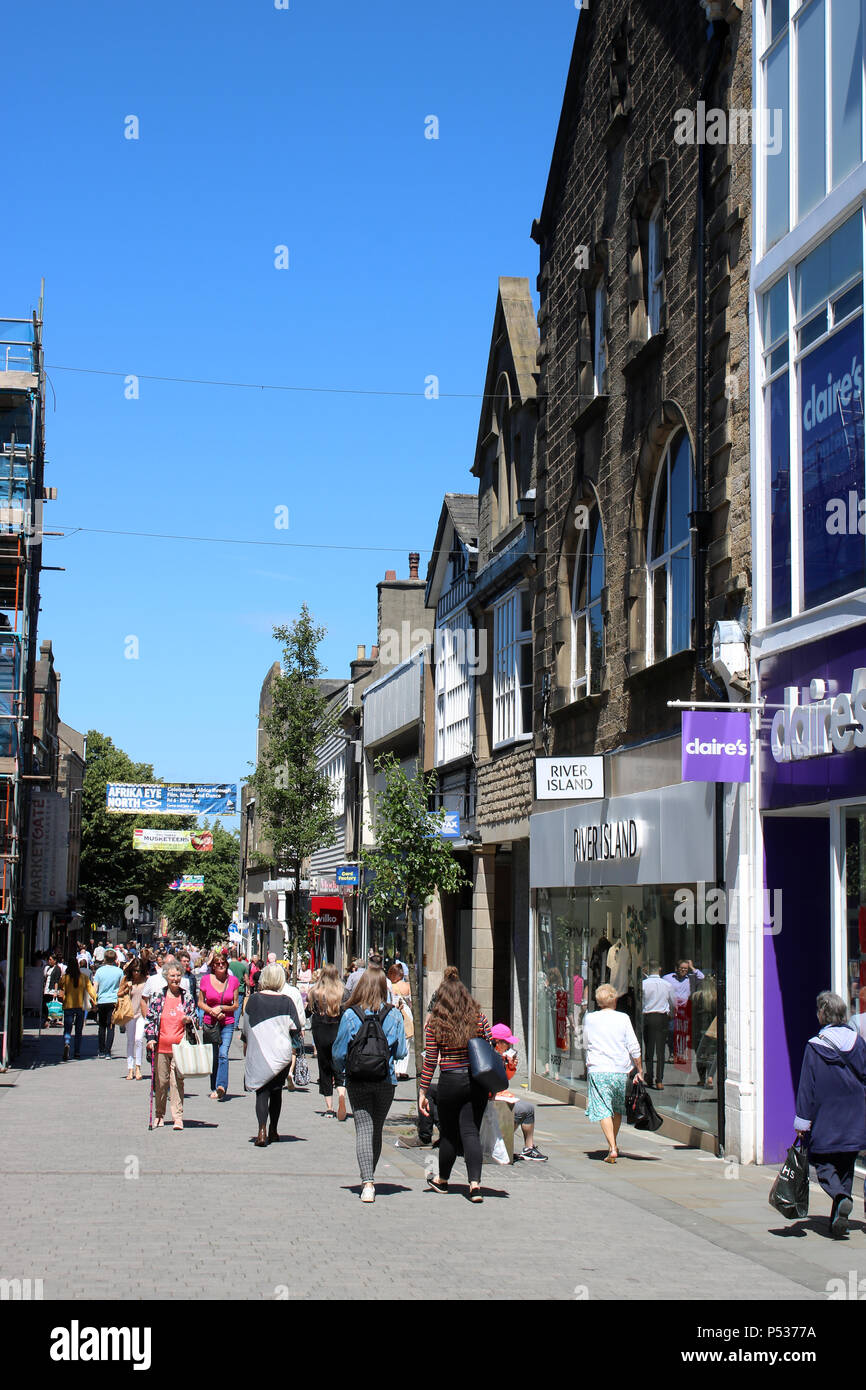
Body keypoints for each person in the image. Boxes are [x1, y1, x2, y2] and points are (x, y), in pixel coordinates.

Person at [794, 990, 866, 1238]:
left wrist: (802, 1120)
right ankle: (838, 1218)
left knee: (822, 1161)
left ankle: (840, 1196)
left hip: (827, 1115)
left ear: (823, 1014)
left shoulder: (815, 1046)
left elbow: (807, 1085)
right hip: (856, 1114)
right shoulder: (858, 1042)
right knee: (846, 1164)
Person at [418, 966, 493, 1202]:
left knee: (449, 1134)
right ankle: (475, 1186)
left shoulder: (435, 1024)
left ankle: (442, 1180)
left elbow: (430, 1059)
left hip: (450, 1080)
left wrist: (423, 1091)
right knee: (471, 1132)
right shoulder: (479, 1019)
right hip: (475, 1081)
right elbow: (490, 1049)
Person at [332, 966, 407, 1203]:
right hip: (386, 1080)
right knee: (376, 1127)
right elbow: (403, 1051)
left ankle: (367, 1182)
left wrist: (344, 1071)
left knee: (363, 1127)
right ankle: (370, 1176)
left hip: (358, 1079)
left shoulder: (351, 1015)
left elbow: (338, 1052)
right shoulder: (394, 1015)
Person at [583, 983, 644, 1163]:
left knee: (603, 1109)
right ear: (614, 999)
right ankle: (613, 1145)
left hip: (598, 1069)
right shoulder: (623, 1018)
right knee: (617, 1108)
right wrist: (639, 1070)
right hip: (619, 1070)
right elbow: (634, 1046)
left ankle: (612, 1147)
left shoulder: (590, 1018)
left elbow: (586, 1043)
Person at [241, 963, 301, 1146]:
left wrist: (246, 1043)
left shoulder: (254, 1000)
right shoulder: (286, 1001)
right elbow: (295, 1028)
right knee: (276, 1092)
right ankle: (274, 1129)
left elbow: (246, 1026)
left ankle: (261, 1129)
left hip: (260, 1051)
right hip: (281, 1054)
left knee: (262, 1092)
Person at [145, 963, 198, 1129]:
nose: (175, 979)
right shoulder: (158, 996)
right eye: (172, 976)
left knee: (177, 1082)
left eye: (178, 976)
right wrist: (151, 1038)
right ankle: (160, 1115)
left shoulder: (186, 996)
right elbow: (151, 1019)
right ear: (166, 977)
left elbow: (194, 1017)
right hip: (161, 1046)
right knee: (161, 1082)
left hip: (179, 1046)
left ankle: (177, 1117)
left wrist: (189, 1020)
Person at [490, 1023, 548, 1161]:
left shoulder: (499, 1057)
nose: (509, 1047)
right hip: (491, 1100)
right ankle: (500, 1142)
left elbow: (505, 1080)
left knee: (527, 1108)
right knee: (525, 1109)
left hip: (496, 1097)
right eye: (507, 1043)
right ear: (497, 1042)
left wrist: (510, 1067)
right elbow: (497, 1083)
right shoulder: (491, 1057)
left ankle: (528, 1147)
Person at [307, 963, 348, 1119]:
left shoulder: (315, 992)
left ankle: (330, 1108)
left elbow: (307, 1012)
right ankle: (341, 1095)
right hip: (337, 1030)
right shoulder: (343, 993)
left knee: (324, 1067)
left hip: (320, 1031)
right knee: (339, 1065)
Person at [198, 948, 240, 1100]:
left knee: (223, 1054)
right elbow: (200, 1003)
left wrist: (222, 1008)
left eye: (223, 963)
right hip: (210, 1023)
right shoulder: (205, 980)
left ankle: (221, 1086)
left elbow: (235, 1005)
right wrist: (212, 1011)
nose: (221, 965)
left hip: (227, 1022)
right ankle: (214, 1086)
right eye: (218, 963)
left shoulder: (233, 981)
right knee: (213, 1057)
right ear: (213, 966)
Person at [641, 961, 674, 1090]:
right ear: (659, 970)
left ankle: (649, 1075)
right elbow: (673, 1002)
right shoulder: (667, 984)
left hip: (649, 1016)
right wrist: (671, 1012)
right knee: (660, 1051)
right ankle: (659, 1080)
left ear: (648, 970)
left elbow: (641, 1001)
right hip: (662, 1017)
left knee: (649, 1048)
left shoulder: (644, 984)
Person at [57, 956, 96, 1061]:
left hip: (68, 1005)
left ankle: (67, 1042)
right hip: (80, 1006)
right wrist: (95, 1001)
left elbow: (60, 986)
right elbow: (91, 990)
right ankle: (77, 1052)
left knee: (67, 1028)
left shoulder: (65, 977)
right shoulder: (83, 977)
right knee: (78, 1031)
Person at [119, 958, 148, 1080]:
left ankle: (138, 1067)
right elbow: (119, 994)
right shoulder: (126, 979)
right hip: (129, 1013)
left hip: (141, 1014)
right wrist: (126, 987)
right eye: (135, 970)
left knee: (138, 1040)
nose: (136, 973)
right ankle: (130, 1069)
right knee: (130, 1041)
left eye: (139, 970)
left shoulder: (146, 981)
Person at [93, 949, 124, 1059]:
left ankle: (101, 1050)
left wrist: (93, 1001)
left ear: (105, 959)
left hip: (102, 1001)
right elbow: (122, 987)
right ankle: (107, 1052)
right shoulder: (119, 971)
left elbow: (95, 987)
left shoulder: (99, 971)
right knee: (111, 1026)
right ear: (115, 959)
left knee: (101, 1026)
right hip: (113, 1001)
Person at [387, 964, 413, 1079]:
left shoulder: (390, 986)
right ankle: (402, 1070)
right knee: (406, 1040)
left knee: (394, 1039)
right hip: (407, 1013)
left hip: (395, 1013)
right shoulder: (407, 986)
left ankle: (394, 1067)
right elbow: (411, 1002)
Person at [228, 948, 250, 1020]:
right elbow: (246, 979)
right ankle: (235, 1023)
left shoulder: (228, 965)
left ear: (230, 956)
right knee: (238, 1005)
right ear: (238, 956)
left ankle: (230, 1020)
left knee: (229, 1005)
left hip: (229, 988)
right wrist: (248, 989)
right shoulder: (242, 966)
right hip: (240, 988)